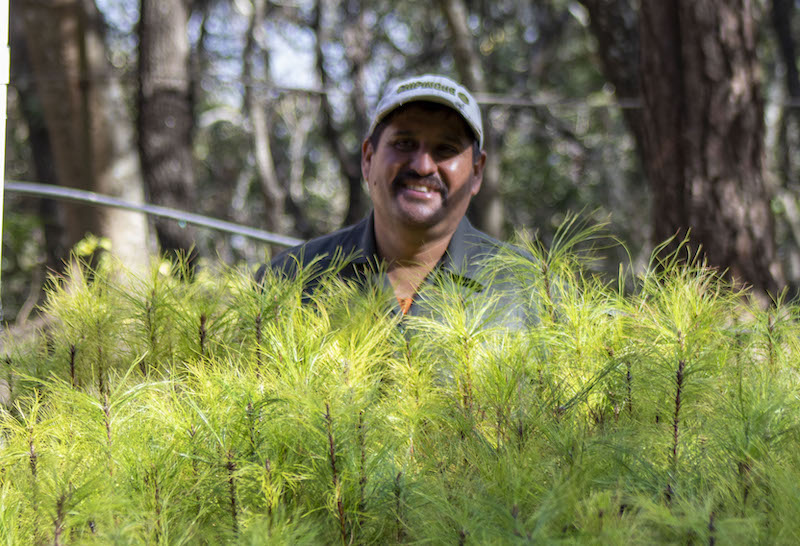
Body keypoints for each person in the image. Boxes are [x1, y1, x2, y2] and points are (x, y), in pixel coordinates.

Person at [262, 74, 527, 326]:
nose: (423, 166)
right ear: (368, 159)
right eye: (404, 143)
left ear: (477, 172)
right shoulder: (287, 281)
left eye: (446, 149)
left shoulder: (532, 292)